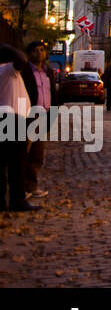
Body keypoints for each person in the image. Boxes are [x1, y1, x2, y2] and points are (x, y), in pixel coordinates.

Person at [0, 44, 38, 211]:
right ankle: (17, 199)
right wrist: (8, 48)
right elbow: (22, 60)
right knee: (17, 162)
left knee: (1, 162)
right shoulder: (8, 70)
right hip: (12, 119)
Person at [23, 41, 56, 198]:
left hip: (43, 116)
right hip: (28, 115)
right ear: (30, 54)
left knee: (37, 154)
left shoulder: (48, 72)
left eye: (42, 50)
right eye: (35, 50)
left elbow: (52, 93)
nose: (39, 53)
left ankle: (32, 186)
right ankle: (21, 188)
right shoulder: (24, 71)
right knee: (23, 153)